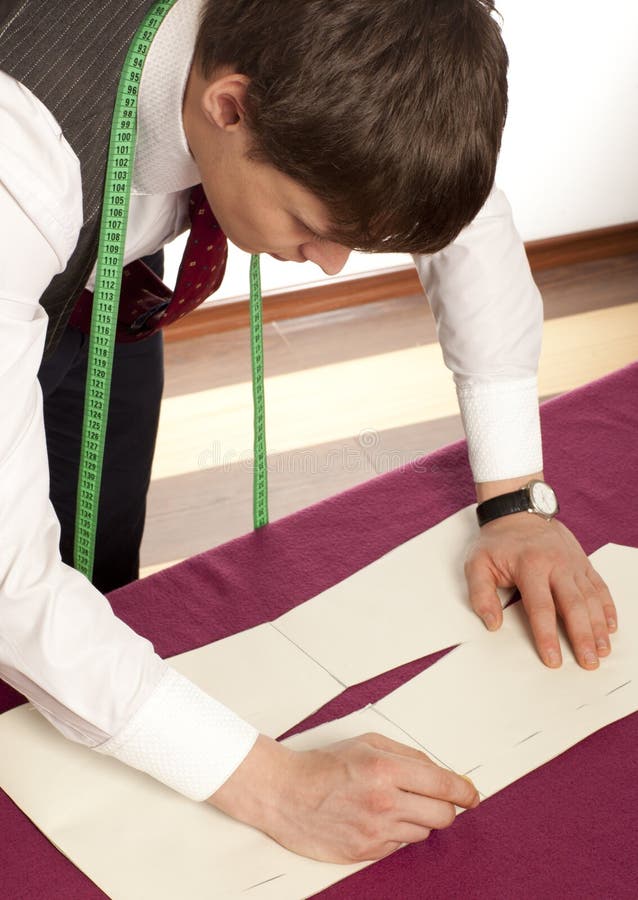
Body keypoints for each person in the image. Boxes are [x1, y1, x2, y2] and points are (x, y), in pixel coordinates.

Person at [0, 0, 617, 865]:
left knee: (102, 580)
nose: (330, 266)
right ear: (229, 106)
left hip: (105, 290)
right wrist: (273, 787)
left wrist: (515, 501)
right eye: (313, 228)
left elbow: (456, 216)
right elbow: (10, 581)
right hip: (22, 262)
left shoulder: (330, 43)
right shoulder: (17, 156)